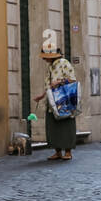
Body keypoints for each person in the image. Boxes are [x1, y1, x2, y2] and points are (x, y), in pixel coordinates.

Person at [33, 29, 79, 161]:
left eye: (45, 57)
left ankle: (68, 151)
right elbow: (49, 85)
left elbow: (72, 80)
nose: (44, 60)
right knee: (53, 126)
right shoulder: (50, 66)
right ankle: (57, 151)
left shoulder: (64, 63)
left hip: (64, 100)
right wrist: (42, 96)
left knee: (66, 125)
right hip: (51, 101)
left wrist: (59, 82)